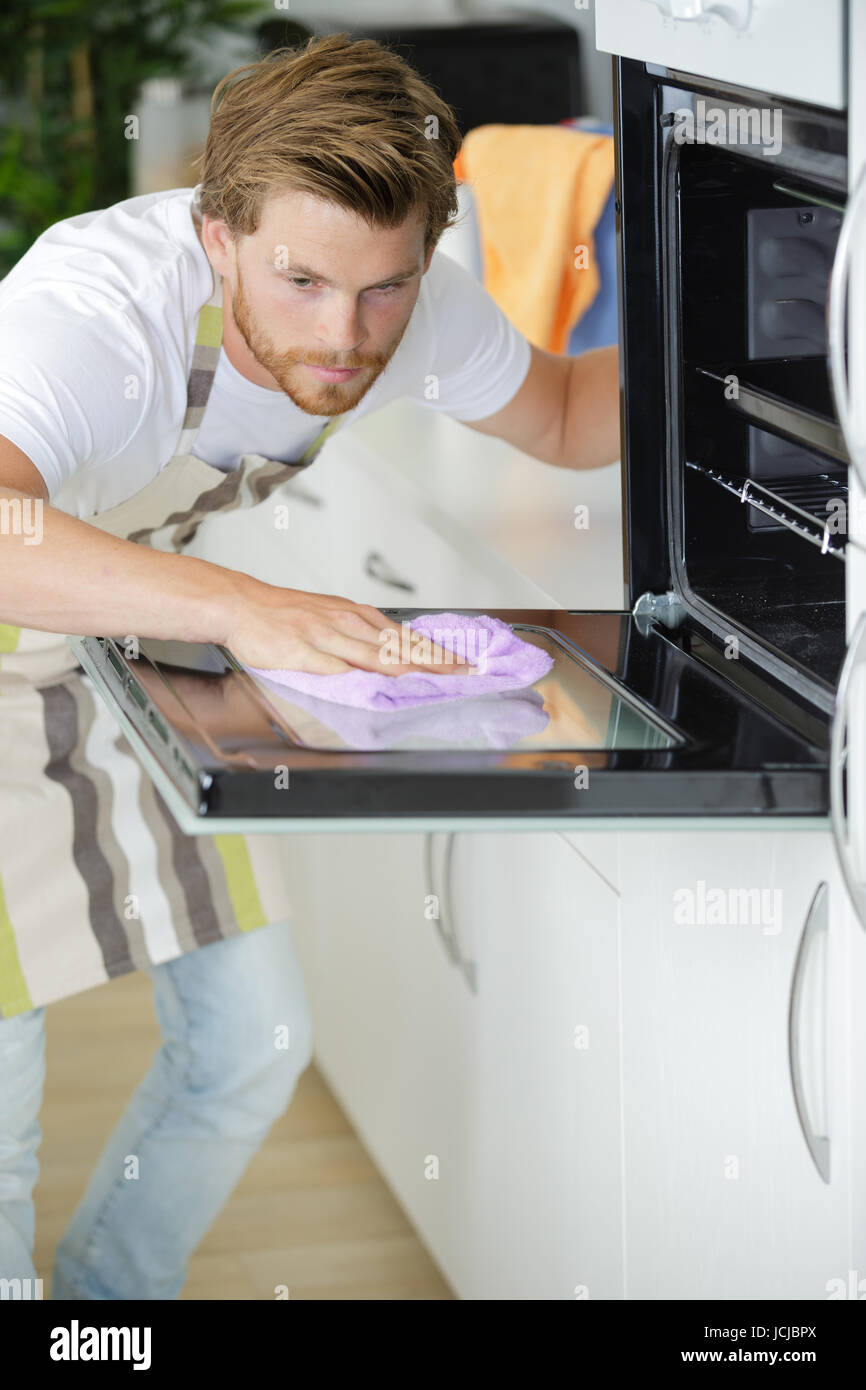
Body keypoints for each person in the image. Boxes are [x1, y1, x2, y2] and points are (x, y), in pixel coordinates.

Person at [0, 32, 620, 1299]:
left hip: (107, 659)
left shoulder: (408, 302)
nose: (345, 337)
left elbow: (559, 417)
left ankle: (113, 1305)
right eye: (299, 284)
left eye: (382, 289)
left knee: (250, 1043)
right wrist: (245, 608)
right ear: (217, 235)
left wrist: (764, 342)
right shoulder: (97, 316)